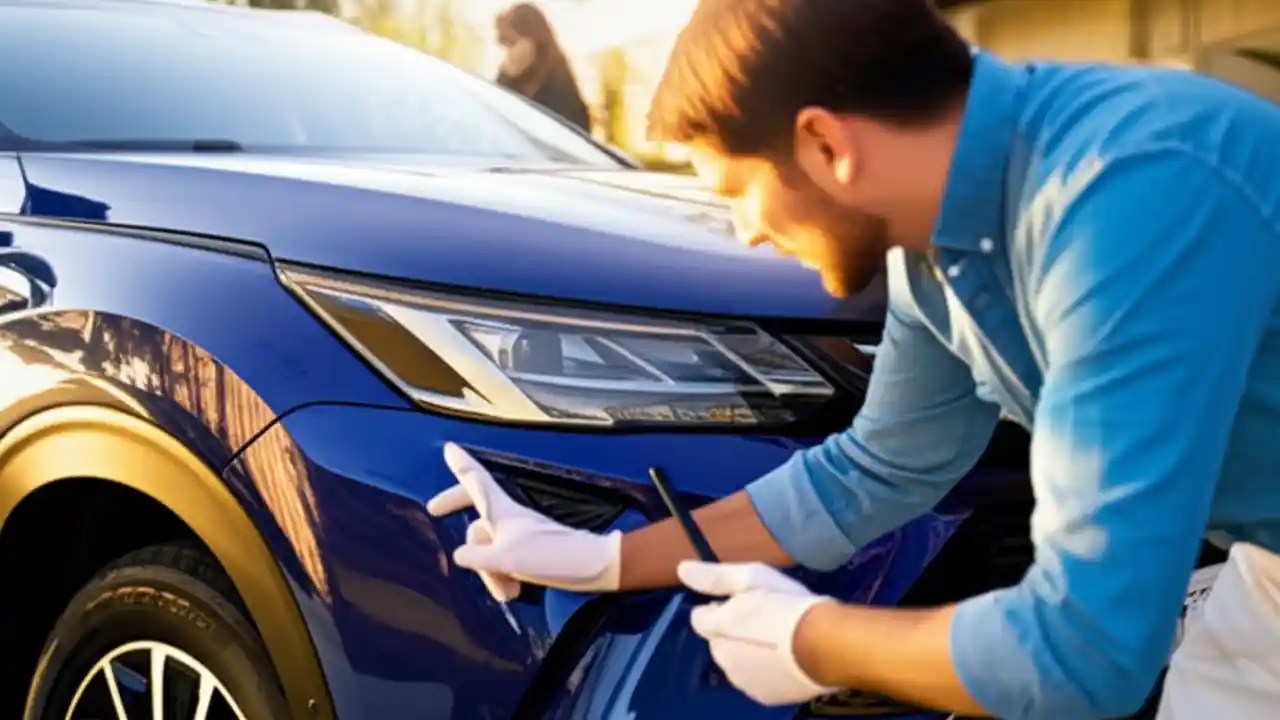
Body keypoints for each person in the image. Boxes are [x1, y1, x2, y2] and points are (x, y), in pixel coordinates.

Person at [429, 0, 1280, 717]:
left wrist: (816, 641)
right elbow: (874, 470)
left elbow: (1085, 651)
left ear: (826, 146)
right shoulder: (930, 248)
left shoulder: (1133, 196)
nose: (749, 233)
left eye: (737, 194)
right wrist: (603, 560)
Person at [493, 2, 591, 133]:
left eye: (513, 43)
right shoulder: (506, 86)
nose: (508, 54)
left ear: (534, 41)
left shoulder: (560, 92)